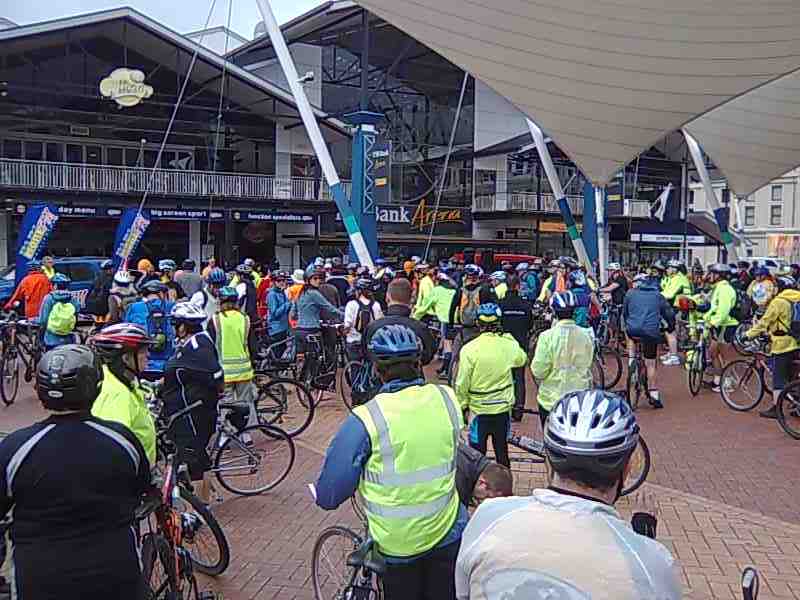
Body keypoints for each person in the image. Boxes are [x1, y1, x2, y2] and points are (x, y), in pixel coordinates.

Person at [455, 389, 682, 600]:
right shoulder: (654, 564)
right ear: (627, 468)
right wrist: (643, 537)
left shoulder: (488, 517)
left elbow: (464, 592)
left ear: (548, 460)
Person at [315, 323, 466, 600]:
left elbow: (329, 494)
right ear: (419, 363)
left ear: (377, 369)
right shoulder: (447, 398)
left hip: (397, 543)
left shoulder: (367, 418)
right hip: (446, 531)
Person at [0, 344, 150, 600]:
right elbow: (140, 489)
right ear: (96, 388)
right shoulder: (122, 440)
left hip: (40, 576)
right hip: (115, 572)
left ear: (40, 391)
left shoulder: (15, 449)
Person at [164, 302, 224, 502]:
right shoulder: (191, 343)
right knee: (194, 457)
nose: (174, 328)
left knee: (196, 461)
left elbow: (216, 375)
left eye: (176, 324)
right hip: (186, 411)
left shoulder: (198, 346)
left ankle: (202, 506)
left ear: (184, 326)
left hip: (194, 413)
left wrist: (205, 397)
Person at [455, 303, 527, 467]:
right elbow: (522, 359)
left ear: (478, 323)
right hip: (502, 409)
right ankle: (506, 481)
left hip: (478, 411)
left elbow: (462, 383)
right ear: (498, 322)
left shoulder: (469, 349)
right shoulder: (507, 344)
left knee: (476, 457)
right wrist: (509, 338)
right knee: (502, 453)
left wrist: (462, 405)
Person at [90, 323, 158, 465]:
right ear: (126, 358)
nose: (148, 355)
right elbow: (113, 450)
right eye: (143, 351)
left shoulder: (124, 381)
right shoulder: (115, 395)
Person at [531, 291, 595, 427]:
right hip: (579, 399)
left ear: (554, 312)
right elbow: (589, 362)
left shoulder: (546, 337)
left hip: (551, 400)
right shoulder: (586, 335)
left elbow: (538, 371)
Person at [744, 275, 800, 419]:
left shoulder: (778, 302)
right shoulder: (796, 298)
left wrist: (748, 335)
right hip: (796, 342)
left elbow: (764, 322)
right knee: (792, 375)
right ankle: (796, 404)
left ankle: (776, 409)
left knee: (778, 379)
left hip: (783, 345)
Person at [208, 287, 259, 428]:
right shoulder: (244, 319)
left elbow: (210, 345)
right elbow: (252, 345)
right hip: (244, 370)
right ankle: (246, 432)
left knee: (226, 404)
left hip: (224, 371)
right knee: (245, 403)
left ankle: (227, 432)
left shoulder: (215, 320)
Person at [623, 273, 674, 408]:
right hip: (651, 332)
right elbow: (668, 313)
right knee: (650, 363)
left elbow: (625, 313)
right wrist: (670, 326)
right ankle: (653, 393)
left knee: (630, 333)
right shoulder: (657, 295)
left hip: (633, 330)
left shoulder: (630, 293)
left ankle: (631, 359)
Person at [365, 277, 437, 367]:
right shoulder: (420, 328)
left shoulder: (373, 327)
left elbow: (367, 354)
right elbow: (428, 355)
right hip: (412, 373)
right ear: (411, 298)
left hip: (381, 374)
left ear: (387, 297)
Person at [292, 264, 344, 375]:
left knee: (302, 357)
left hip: (299, 331)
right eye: (315, 279)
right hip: (312, 331)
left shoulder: (300, 293)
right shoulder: (314, 293)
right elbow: (329, 308)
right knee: (317, 359)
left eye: (319, 278)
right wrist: (345, 316)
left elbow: (293, 314)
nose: (318, 281)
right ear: (308, 280)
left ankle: (301, 378)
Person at [499, 276, 534, 421]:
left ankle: (504, 407)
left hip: (503, 346)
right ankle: (518, 409)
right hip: (520, 345)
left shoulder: (500, 304)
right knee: (519, 377)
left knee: (503, 376)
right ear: (518, 286)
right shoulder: (525, 305)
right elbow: (530, 325)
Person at [125, 279, 175, 375]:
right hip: (168, 364)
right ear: (161, 293)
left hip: (142, 364)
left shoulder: (134, 307)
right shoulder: (172, 307)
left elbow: (126, 330)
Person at [704, 263, 739, 391]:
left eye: (711, 273)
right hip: (719, 325)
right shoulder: (718, 287)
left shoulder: (725, 289)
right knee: (713, 352)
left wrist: (713, 322)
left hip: (726, 324)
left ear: (718, 276)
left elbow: (723, 310)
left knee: (724, 355)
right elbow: (714, 307)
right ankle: (718, 380)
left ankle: (728, 382)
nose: (709, 276)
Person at [455, 442, 514, 508]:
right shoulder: (460, 480)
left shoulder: (478, 462)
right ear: (482, 483)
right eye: (486, 498)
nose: (481, 503)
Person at [448, 264, 494, 347]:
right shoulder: (484, 289)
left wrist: (450, 326)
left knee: (459, 349)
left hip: (464, 326)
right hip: (480, 327)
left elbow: (452, 308)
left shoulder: (461, 290)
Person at [659, 259, 692, 366]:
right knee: (668, 330)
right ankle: (671, 352)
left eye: (668, 268)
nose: (666, 270)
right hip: (673, 307)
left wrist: (654, 295)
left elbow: (669, 294)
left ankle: (674, 357)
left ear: (674, 269)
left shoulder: (679, 279)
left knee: (671, 332)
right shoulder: (672, 278)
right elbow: (664, 288)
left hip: (679, 309)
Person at [343, 277, 384, 360]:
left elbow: (347, 325)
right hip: (371, 342)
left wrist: (343, 332)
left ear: (359, 291)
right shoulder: (376, 305)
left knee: (354, 365)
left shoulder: (351, 304)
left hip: (354, 341)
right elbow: (380, 323)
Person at [38, 273, 81, 350]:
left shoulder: (49, 298)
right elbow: (76, 315)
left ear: (55, 286)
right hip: (68, 339)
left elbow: (43, 321)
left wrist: (41, 338)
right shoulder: (73, 298)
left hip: (51, 339)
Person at [266, 271, 293, 352]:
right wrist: (287, 304)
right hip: (276, 329)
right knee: (277, 351)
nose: (282, 282)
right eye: (279, 280)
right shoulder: (272, 294)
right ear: (274, 282)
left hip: (284, 328)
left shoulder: (282, 292)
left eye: (283, 280)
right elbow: (274, 313)